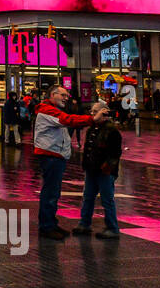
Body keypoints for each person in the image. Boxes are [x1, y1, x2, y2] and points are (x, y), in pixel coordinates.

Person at [33, 86, 97, 240]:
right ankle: (47, 226)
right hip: (52, 155)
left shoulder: (50, 109)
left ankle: (50, 223)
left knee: (53, 192)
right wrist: (92, 119)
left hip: (55, 155)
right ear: (52, 94)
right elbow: (67, 120)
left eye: (67, 95)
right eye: (63, 95)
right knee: (51, 192)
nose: (66, 97)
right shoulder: (48, 110)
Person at [73, 101, 120, 239]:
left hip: (104, 171)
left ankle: (112, 228)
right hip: (91, 169)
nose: (92, 114)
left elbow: (115, 153)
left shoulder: (111, 130)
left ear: (104, 112)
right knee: (88, 197)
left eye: (95, 112)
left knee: (107, 200)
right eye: (91, 112)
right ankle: (84, 224)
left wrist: (108, 167)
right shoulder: (92, 129)